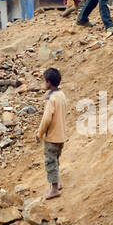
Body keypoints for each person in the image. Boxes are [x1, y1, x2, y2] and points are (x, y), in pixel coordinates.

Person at [36, 67, 68, 200]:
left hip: (52, 137)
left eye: (45, 81)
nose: (44, 83)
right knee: (56, 160)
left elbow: (47, 118)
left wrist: (40, 133)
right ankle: (58, 182)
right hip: (61, 136)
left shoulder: (51, 98)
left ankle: (54, 189)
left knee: (50, 162)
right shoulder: (61, 95)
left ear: (49, 82)